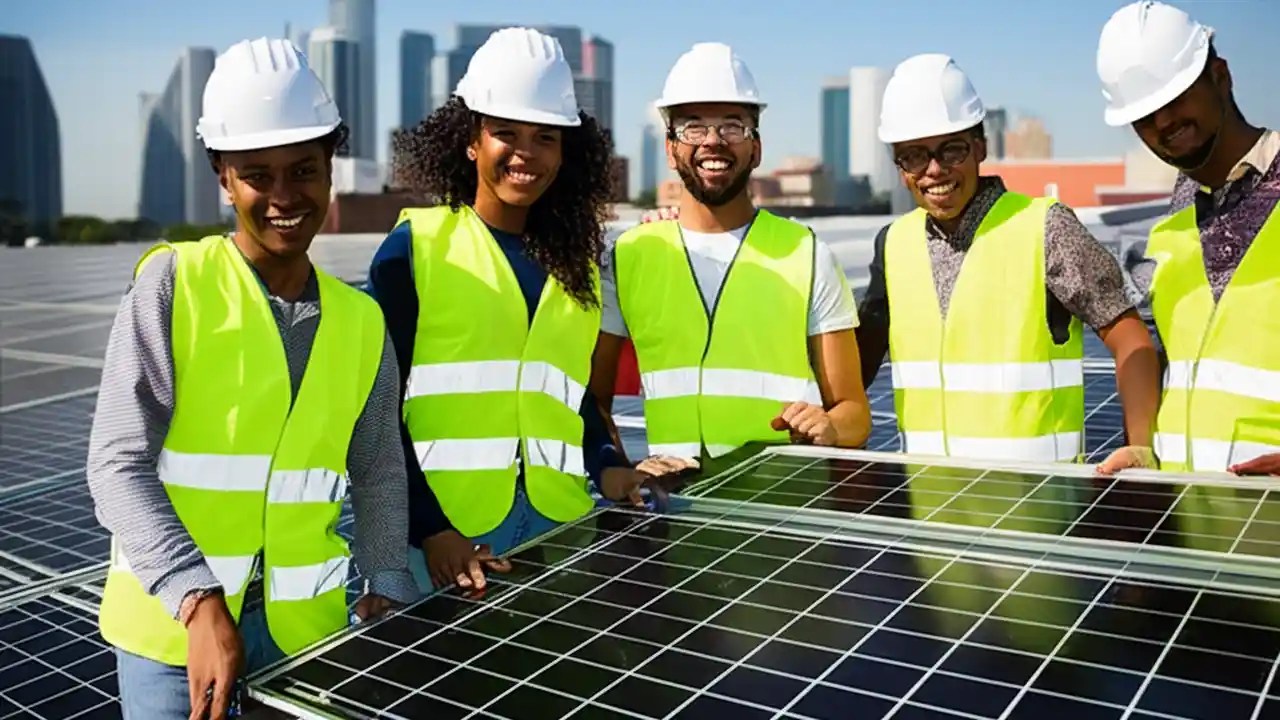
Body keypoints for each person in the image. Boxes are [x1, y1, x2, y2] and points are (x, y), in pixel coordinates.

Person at [85, 38, 417, 719]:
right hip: (172, 634)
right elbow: (117, 463)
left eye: (303, 171)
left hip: (304, 629)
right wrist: (197, 600)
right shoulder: (174, 286)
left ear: (331, 171)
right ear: (223, 179)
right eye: (257, 176)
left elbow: (378, 464)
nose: (283, 197)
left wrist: (386, 575)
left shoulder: (360, 319)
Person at [366, 27, 647, 596]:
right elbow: (376, 417)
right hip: (447, 541)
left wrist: (608, 463)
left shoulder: (578, 266)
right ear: (472, 139)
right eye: (505, 133)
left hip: (560, 520)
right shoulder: (413, 248)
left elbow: (567, 398)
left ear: (566, 151)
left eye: (546, 136)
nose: (526, 153)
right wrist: (430, 529)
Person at [856, 53, 1161, 466]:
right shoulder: (892, 244)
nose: (934, 170)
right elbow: (856, 366)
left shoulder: (1046, 227)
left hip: (1040, 509)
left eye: (951, 150)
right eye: (913, 156)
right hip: (932, 509)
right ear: (898, 165)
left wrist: (1141, 446)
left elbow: (1130, 340)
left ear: (980, 147)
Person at [590, 41, 872, 474]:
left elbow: (855, 416)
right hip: (677, 508)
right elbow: (593, 404)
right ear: (670, 148)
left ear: (756, 148)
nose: (713, 142)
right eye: (693, 127)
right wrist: (623, 473)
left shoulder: (808, 253)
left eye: (732, 126)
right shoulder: (627, 255)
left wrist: (830, 427)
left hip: (788, 508)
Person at [1097, 1, 1280, 475]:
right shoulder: (1165, 229)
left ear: (1221, 77)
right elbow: (1160, 357)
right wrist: (1141, 446)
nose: (1161, 125)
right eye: (1143, 116)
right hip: (1194, 521)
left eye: (1174, 99)